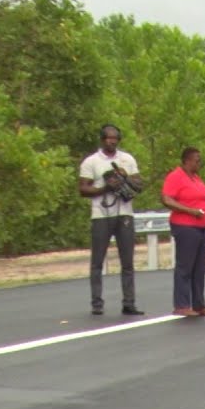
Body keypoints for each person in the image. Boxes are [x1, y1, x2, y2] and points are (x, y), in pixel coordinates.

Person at [78, 124, 144, 316]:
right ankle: (97, 303)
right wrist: (105, 188)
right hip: (101, 214)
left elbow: (139, 185)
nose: (112, 141)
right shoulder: (91, 162)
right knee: (97, 260)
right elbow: (83, 189)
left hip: (124, 213)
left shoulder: (127, 159)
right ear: (102, 139)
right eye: (108, 138)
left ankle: (129, 303)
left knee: (128, 261)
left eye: (115, 138)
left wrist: (126, 178)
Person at [161, 147, 205, 317]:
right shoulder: (176, 177)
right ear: (187, 160)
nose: (199, 163)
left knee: (200, 268)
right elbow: (166, 199)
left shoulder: (196, 178)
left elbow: (203, 198)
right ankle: (182, 304)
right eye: (197, 160)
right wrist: (190, 211)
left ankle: (199, 304)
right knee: (185, 266)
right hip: (186, 226)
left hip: (203, 226)